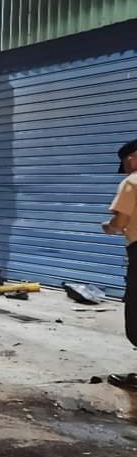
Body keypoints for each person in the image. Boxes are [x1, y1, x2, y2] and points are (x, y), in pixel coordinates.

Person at [102, 138, 137, 385]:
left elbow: (119, 223)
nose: (125, 170)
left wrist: (109, 226)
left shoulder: (132, 183)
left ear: (132, 158)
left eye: (125, 163)